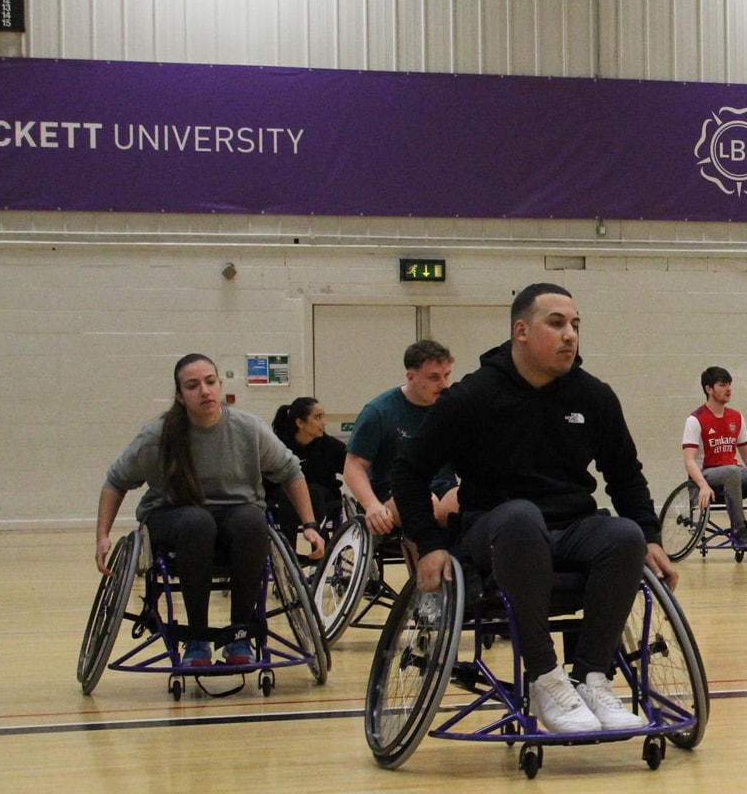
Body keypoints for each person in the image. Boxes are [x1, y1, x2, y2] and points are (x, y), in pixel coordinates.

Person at [394, 283, 676, 736]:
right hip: (496, 529)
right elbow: (409, 471)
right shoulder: (473, 396)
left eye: (575, 325)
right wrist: (428, 544)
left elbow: (625, 474)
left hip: (571, 527)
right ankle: (545, 676)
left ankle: (592, 677)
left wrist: (651, 535)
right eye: (557, 323)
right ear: (521, 331)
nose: (570, 334)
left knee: (625, 535)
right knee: (521, 517)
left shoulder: (594, 396)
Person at [96, 354, 325, 668]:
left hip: (234, 516)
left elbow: (290, 471)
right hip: (172, 517)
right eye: (193, 385)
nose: (204, 390)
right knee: (197, 522)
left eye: (210, 382)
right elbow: (116, 481)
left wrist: (309, 524)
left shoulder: (248, 428)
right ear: (180, 395)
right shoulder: (157, 436)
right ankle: (197, 638)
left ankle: (239, 635)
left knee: (252, 520)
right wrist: (102, 536)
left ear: (220, 385)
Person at [343, 340, 457, 538]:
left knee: (473, 504)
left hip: (443, 487)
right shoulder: (379, 411)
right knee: (424, 505)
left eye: (446, 375)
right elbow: (353, 466)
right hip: (392, 492)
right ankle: (427, 558)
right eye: (434, 377)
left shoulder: (452, 408)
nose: (443, 384)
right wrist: (371, 505)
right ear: (410, 377)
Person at [681, 366, 747, 544]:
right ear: (709, 389)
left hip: (733, 474)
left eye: (729, 384)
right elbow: (689, 461)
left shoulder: (736, 417)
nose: (729, 389)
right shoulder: (695, 420)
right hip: (707, 475)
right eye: (722, 385)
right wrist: (702, 485)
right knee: (732, 471)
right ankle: (739, 529)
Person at [270, 397, 348, 528]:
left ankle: (318, 537)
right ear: (300, 423)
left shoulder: (331, 446)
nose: (324, 423)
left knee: (314, 491)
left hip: (323, 497)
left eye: (323, 417)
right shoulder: (279, 446)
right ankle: (287, 541)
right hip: (283, 500)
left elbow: (354, 470)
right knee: (289, 490)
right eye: (318, 418)